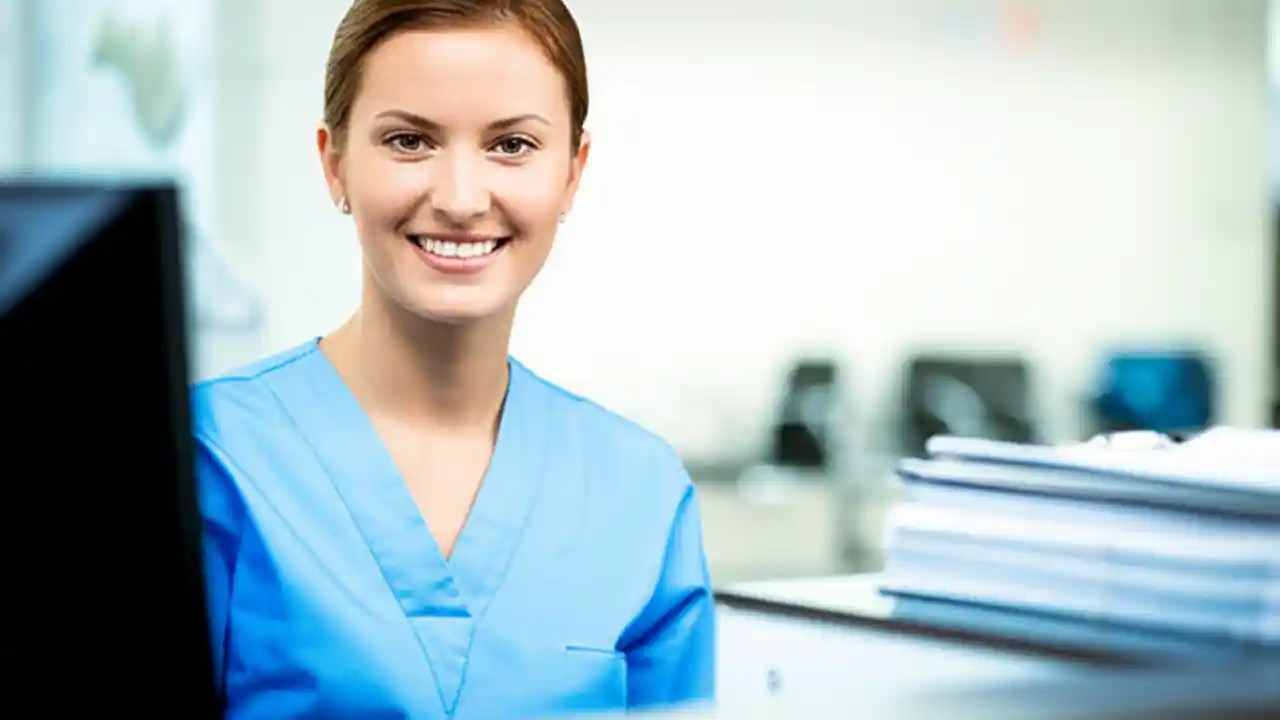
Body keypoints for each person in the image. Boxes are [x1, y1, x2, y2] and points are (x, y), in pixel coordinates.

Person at [189, 1, 716, 717]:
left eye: (513, 146)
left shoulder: (640, 491)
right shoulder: (210, 455)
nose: (462, 199)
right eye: (409, 141)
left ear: (573, 172)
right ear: (334, 162)